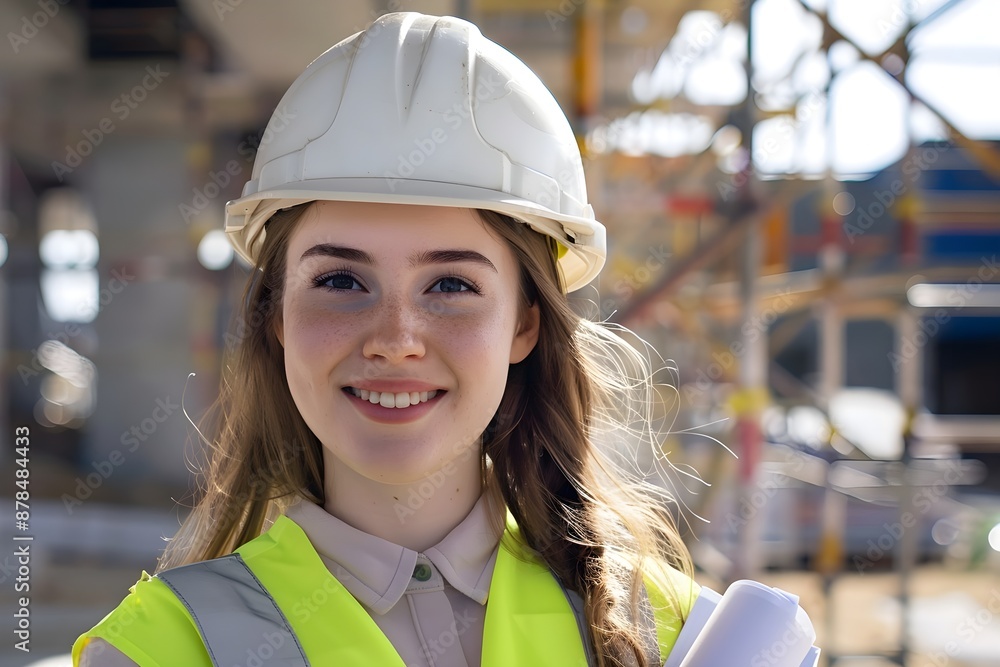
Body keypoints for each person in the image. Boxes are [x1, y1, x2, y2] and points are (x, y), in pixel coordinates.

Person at [72, 12, 698, 667]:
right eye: (342, 279)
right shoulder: (160, 650)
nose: (395, 339)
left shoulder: (668, 631)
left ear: (523, 323)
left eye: (451, 285)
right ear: (278, 317)